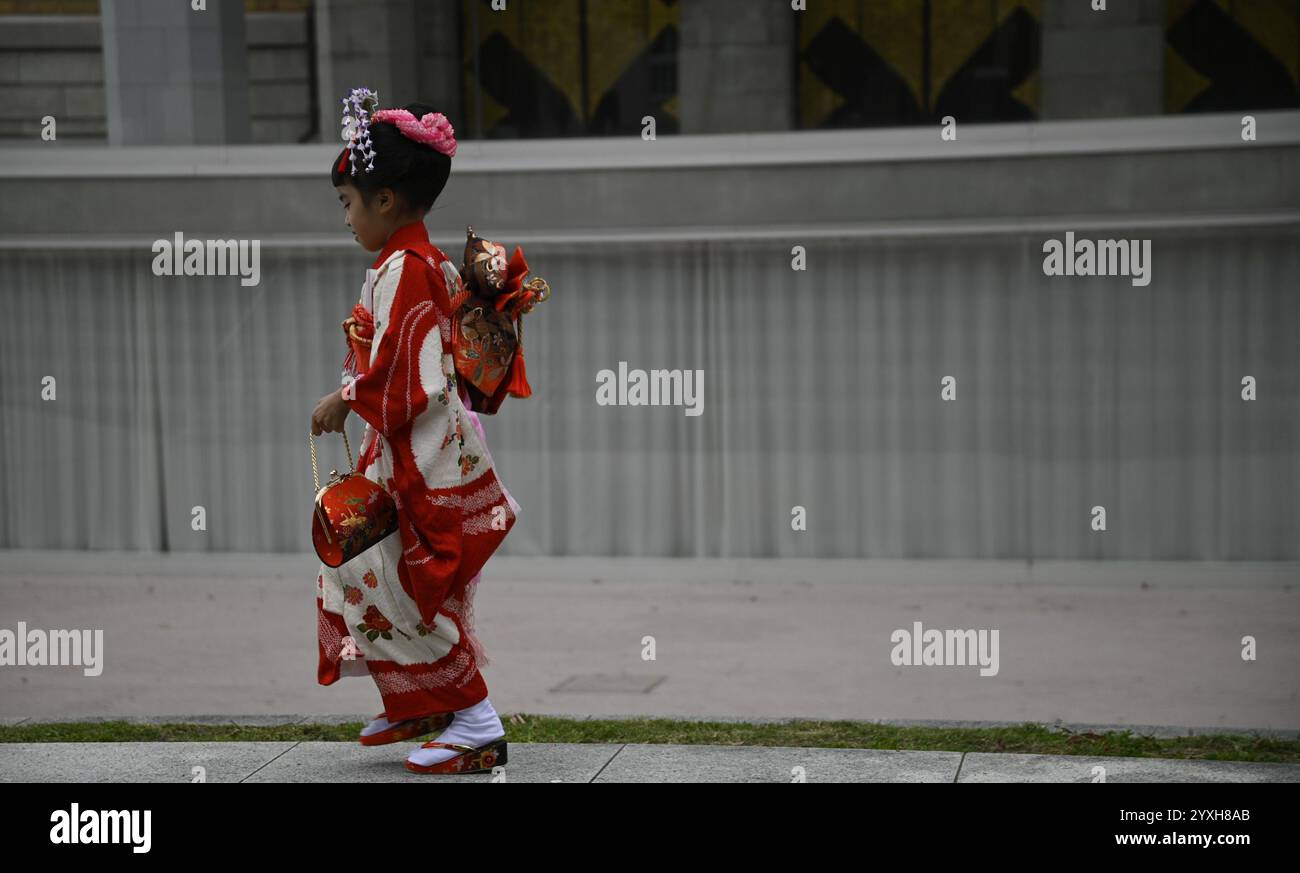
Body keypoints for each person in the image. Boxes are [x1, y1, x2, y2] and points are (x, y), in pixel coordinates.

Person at [310, 89, 517, 775]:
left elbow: (405, 372)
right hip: (413, 448)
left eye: (349, 202)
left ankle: (476, 719)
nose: (346, 217)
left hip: (422, 456)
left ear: (387, 201)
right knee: (363, 571)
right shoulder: (413, 264)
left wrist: (345, 398)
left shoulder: (407, 268)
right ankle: (422, 703)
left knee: (400, 580)